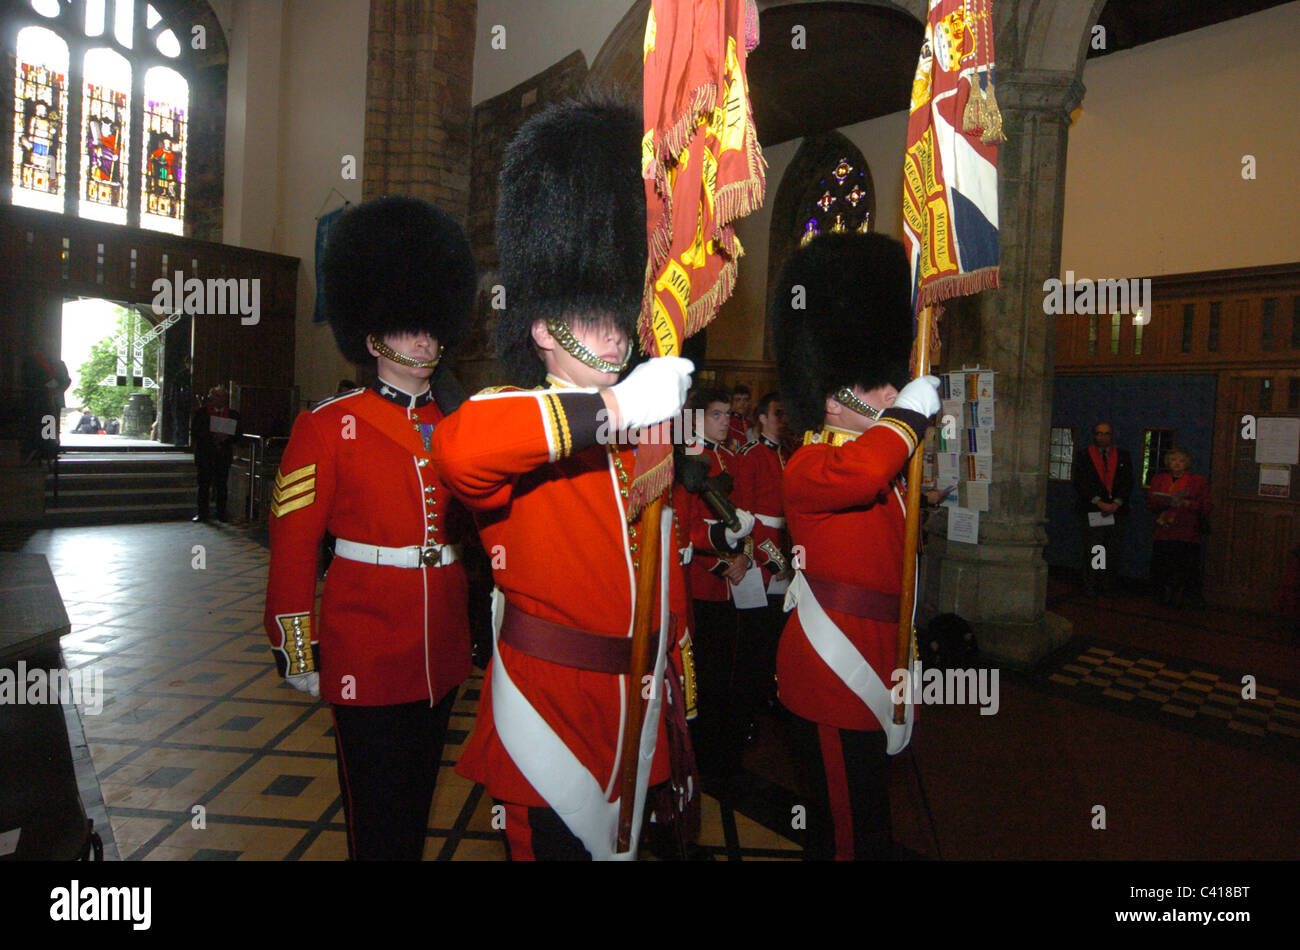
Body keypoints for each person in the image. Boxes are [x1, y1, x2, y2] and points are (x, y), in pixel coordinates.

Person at [430, 98, 695, 861]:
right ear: (544, 329)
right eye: (592, 317)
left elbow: (662, 567)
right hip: (552, 718)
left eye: (621, 315)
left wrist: (680, 677)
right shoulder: (514, 416)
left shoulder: (649, 427)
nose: (617, 335)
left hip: (642, 714)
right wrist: (611, 406)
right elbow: (460, 452)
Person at [262, 196, 477, 860]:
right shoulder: (326, 426)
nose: (425, 341)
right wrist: (295, 642)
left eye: (431, 329)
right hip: (366, 649)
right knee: (375, 819)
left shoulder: (460, 425)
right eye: (410, 328)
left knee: (416, 809)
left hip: (439, 646)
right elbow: (295, 544)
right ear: (373, 333)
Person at [771, 231, 941, 861]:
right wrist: (912, 413)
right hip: (832, 668)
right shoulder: (810, 464)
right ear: (835, 401)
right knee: (848, 837)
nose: (890, 393)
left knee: (866, 821)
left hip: (878, 659)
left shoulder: (888, 466)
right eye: (878, 386)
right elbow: (865, 471)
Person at [673, 387, 755, 794]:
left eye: (728, 414)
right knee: (702, 676)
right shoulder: (689, 459)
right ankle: (702, 759)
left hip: (733, 582)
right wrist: (727, 558)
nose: (726, 421)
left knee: (728, 673)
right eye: (718, 414)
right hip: (703, 582)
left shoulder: (732, 458)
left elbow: (747, 519)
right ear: (699, 418)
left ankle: (724, 755)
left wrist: (746, 558)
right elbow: (687, 532)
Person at [733, 392, 793, 728]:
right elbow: (746, 515)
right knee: (757, 638)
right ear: (762, 419)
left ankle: (772, 692)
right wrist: (772, 557)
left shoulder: (787, 454)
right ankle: (751, 703)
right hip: (762, 555)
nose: (783, 420)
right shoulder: (751, 456)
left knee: (778, 635)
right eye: (777, 414)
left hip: (784, 548)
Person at [1072, 421, 1133, 595]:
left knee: (1112, 550)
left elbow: (1128, 482)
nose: (1102, 437)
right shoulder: (1084, 456)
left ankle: (1108, 585)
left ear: (1111, 436)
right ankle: (1092, 584)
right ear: (1094, 435)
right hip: (1093, 510)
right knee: (1095, 549)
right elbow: (1081, 483)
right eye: (1099, 433)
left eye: (1106, 433)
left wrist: (1116, 503)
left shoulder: (1123, 456)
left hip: (1116, 511)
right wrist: (1099, 502)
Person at [1146, 447, 1211, 607]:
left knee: (1183, 564)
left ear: (1187, 463)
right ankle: (1162, 593)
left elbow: (1206, 505)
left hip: (1186, 530)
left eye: (1181, 461)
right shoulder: (1159, 479)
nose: (1177, 464)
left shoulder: (1197, 480)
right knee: (1163, 563)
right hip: (1164, 529)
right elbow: (1150, 503)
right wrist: (1164, 501)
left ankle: (1181, 595)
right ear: (1168, 462)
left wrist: (1187, 503)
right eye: (1174, 460)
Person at [189, 385, 241, 522]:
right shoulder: (201, 413)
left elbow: (238, 434)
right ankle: (202, 513)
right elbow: (195, 432)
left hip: (223, 454)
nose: (217, 399)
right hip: (205, 454)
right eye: (215, 396)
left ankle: (221, 513)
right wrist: (212, 435)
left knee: (221, 485)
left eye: (221, 396)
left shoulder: (233, 414)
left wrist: (227, 437)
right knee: (204, 485)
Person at [20, 344, 71, 465]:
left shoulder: (59, 363)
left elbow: (66, 380)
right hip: (39, 399)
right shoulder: (32, 362)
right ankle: (40, 450)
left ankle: (49, 450)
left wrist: (55, 389)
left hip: (52, 399)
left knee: (50, 425)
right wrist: (52, 387)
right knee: (39, 426)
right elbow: (30, 379)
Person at [727, 384, 752, 450]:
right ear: (731, 402)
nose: (742, 403)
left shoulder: (751, 423)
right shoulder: (727, 423)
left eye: (745, 400)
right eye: (738, 400)